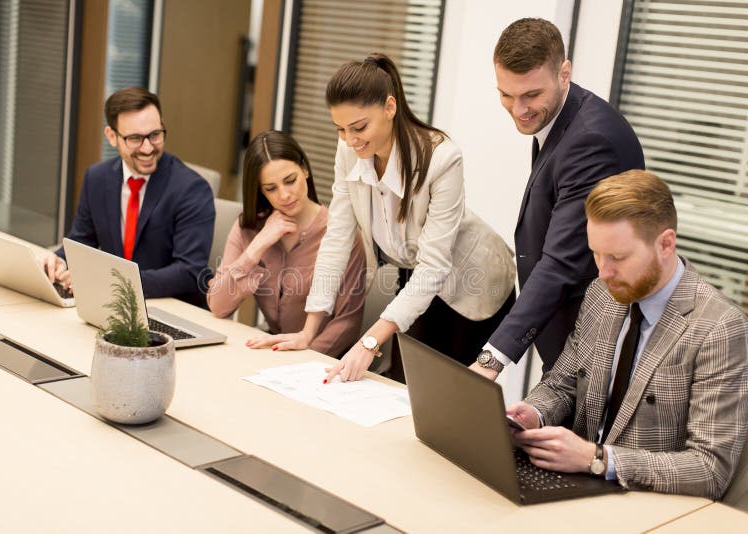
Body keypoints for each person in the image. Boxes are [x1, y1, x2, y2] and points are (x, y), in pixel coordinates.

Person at [248, 53, 516, 382]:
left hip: (473, 285)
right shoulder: (348, 149)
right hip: (416, 274)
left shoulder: (441, 158)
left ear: (390, 107)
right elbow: (338, 237)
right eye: (341, 129)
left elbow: (435, 266)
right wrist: (309, 330)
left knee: (447, 396)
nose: (350, 139)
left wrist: (370, 341)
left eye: (359, 127)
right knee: (408, 386)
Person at [507, 170, 748, 499]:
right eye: (596, 253)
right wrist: (530, 414)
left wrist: (599, 460)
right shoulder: (602, 295)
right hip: (578, 491)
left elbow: (709, 469)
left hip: (652, 506)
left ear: (665, 244)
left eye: (618, 257)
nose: (603, 271)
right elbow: (562, 384)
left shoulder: (719, 327)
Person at [471, 18, 645, 379]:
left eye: (531, 95)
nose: (519, 110)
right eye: (506, 95)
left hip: (592, 352)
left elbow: (562, 261)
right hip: (568, 344)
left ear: (564, 73)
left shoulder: (590, 142)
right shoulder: (561, 121)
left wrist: (492, 359)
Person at [43, 86, 214, 308]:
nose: (147, 148)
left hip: (169, 309)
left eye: (155, 135)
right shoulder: (97, 177)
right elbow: (82, 239)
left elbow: (189, 271)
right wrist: (58, 260)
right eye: (135, 138)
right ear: (112, 136)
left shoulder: (192, 189)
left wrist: (110, 282)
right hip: (113, 305)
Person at [207, 130, 365, 357]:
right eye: (271, 188)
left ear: (305, 170)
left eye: (290, 181)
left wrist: (300, 363)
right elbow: (218, 306)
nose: (284, 195)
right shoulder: (248, 228)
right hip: (273, 353)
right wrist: (258, 245)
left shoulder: (341, 233)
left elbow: (347, 324)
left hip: (321, 361)